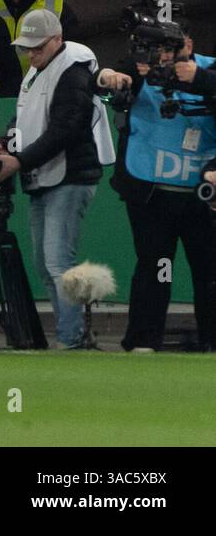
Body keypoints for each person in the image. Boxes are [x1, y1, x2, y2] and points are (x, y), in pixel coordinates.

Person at [0, 10, 116, 350]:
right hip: (44, 175)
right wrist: (4, 144)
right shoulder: (37, 71)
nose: (31, 54)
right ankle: (69, 334)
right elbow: (24, 120)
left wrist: (18, 160)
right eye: (27, 48)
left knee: (58, 262)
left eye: (38, 47)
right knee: (47, 265)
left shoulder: (74, 73)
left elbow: (66, 129)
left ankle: (70, 339)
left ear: (58, 40)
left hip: (69, 176)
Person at [98, 21, 216, 352]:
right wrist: (108, 78)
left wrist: (199, 79)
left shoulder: (209, 68)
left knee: (208, 272)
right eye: (158, 49)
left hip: (203, 198)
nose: (163, 57)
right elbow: (107, 79)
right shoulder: (141, 68)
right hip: (153, 196)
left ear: (188, 46)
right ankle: (143, 342)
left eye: (170, 49)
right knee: (157, 269)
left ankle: (212, 342)